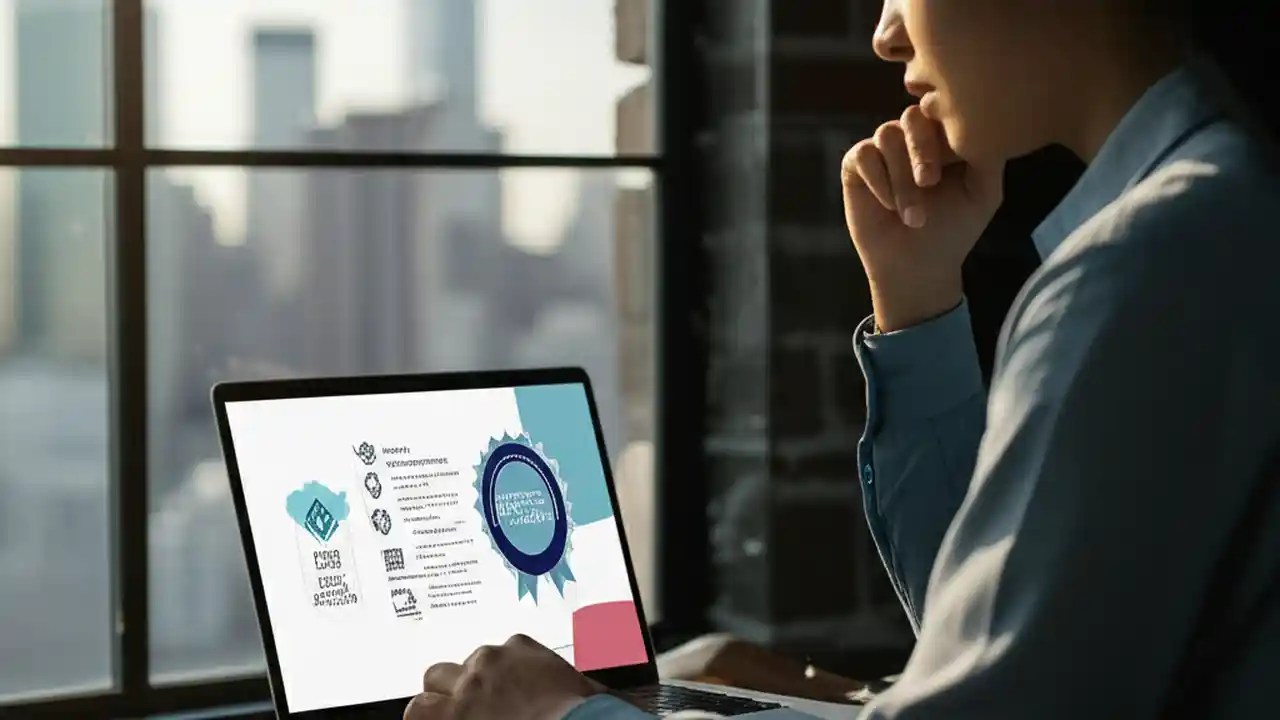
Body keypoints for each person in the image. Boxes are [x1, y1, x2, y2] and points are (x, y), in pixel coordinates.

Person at [404, 1, 1280, 718]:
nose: (886, 31)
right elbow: (991, 642)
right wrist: (919, 295)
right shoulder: (1217, 210)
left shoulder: (1144, 264)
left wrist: (563, 718)